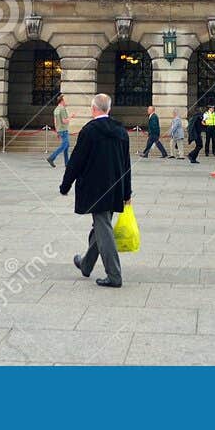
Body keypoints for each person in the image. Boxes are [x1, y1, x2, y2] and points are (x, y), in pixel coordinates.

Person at [58, 93, 132, 289]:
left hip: (94, 189)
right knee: (101, 225)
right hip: (115, 187)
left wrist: (65, 185)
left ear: (93, 109)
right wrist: (127, 192)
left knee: (103, 228)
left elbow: (76, 161)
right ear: (109, 109)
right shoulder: (121, 131)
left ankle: (114, 275)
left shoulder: (89, 131)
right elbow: (126, 165)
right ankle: (86, 264)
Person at [47, 94, 71, 167]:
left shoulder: (56, 109)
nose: (66, 101)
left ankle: (67, 163)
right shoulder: (62, 109)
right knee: (64, 146)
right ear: (62, 101)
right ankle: (51, 158)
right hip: (64, 130)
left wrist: (57, 131)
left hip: (60, 130)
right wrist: (71, 117)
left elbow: (55, 122)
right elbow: (64, 121)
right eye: (65, 100)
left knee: (66, 146)